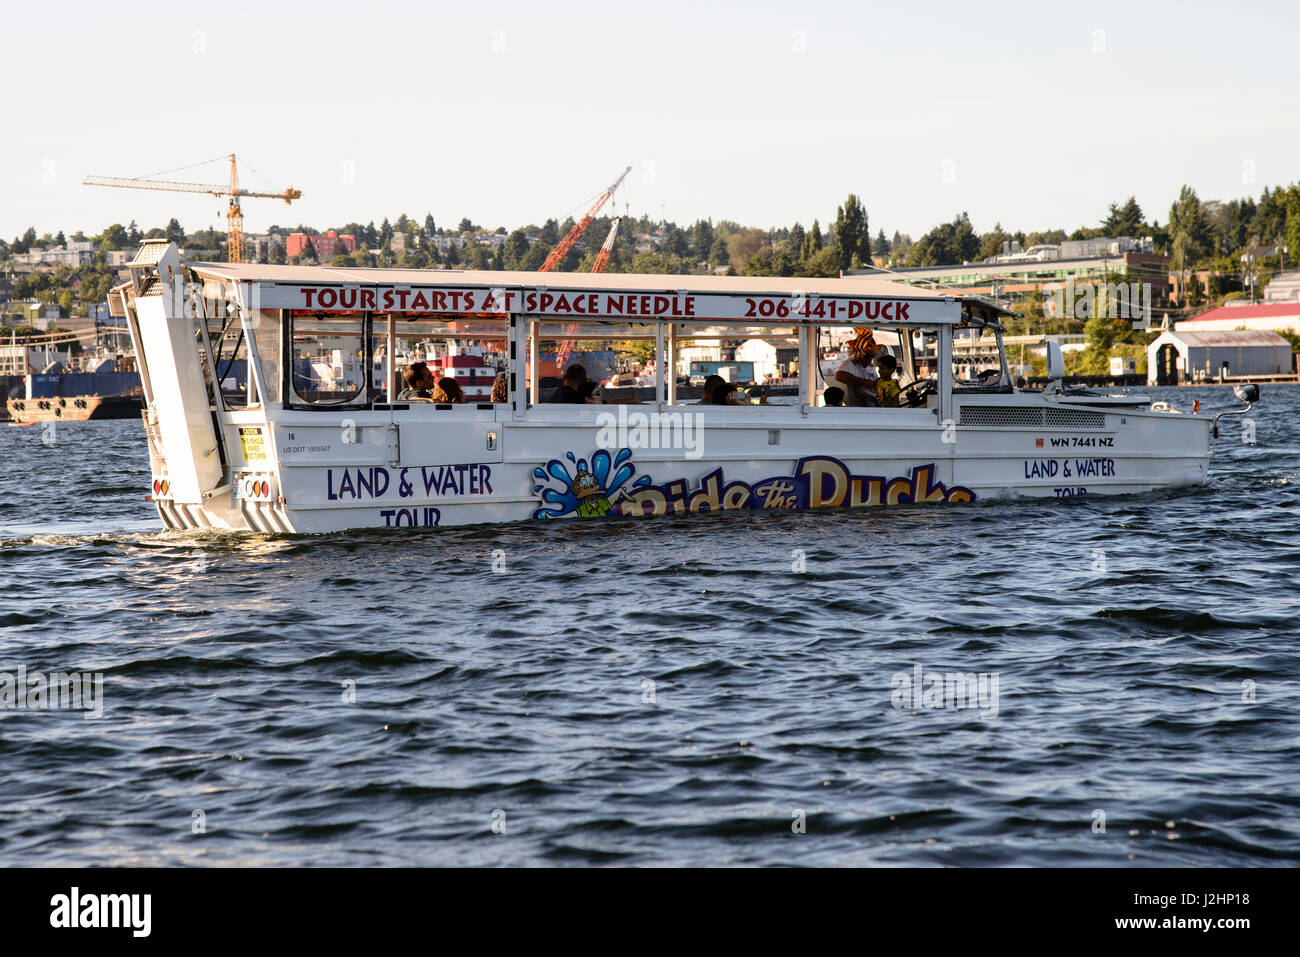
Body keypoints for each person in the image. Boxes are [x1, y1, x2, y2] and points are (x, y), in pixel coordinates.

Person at [832, 327, 881, 406]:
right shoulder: (849, 364)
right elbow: (839, 375)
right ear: (857, 352)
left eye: (873, 356)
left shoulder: (869, 366)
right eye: (867, 356)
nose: (870, 359)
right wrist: (864, 383)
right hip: (861, 408)